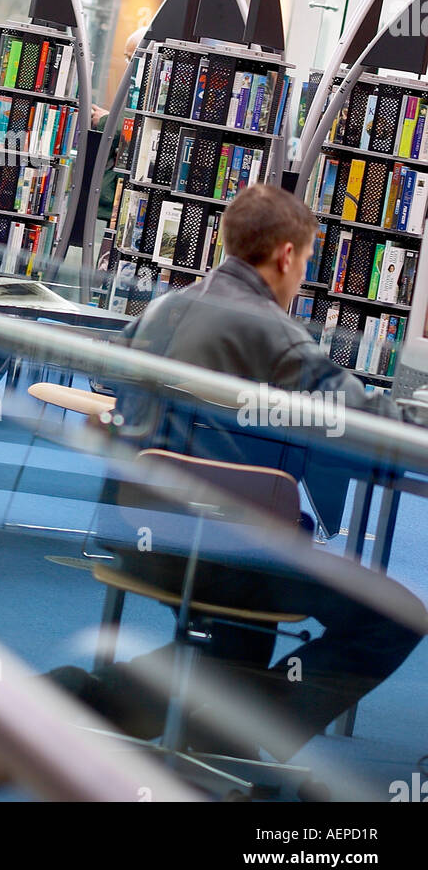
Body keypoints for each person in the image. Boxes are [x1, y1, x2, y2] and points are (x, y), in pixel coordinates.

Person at [49, 184, 428, 760]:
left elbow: (111, 383)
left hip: (135, 529)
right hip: (223, 551)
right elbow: (361, 418)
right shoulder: (273, 332)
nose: (301, 279)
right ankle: (235, 739)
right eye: (304, 262)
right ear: (284, 255)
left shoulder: (164, 306)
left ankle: (92, 702)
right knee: (395, 618)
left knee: (236, 636)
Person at [91, 27, 145, 234]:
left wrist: (106, 120)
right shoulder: (134, 88)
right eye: (127, 58)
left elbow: (138, 130)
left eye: (133, 58)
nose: (128, 66)